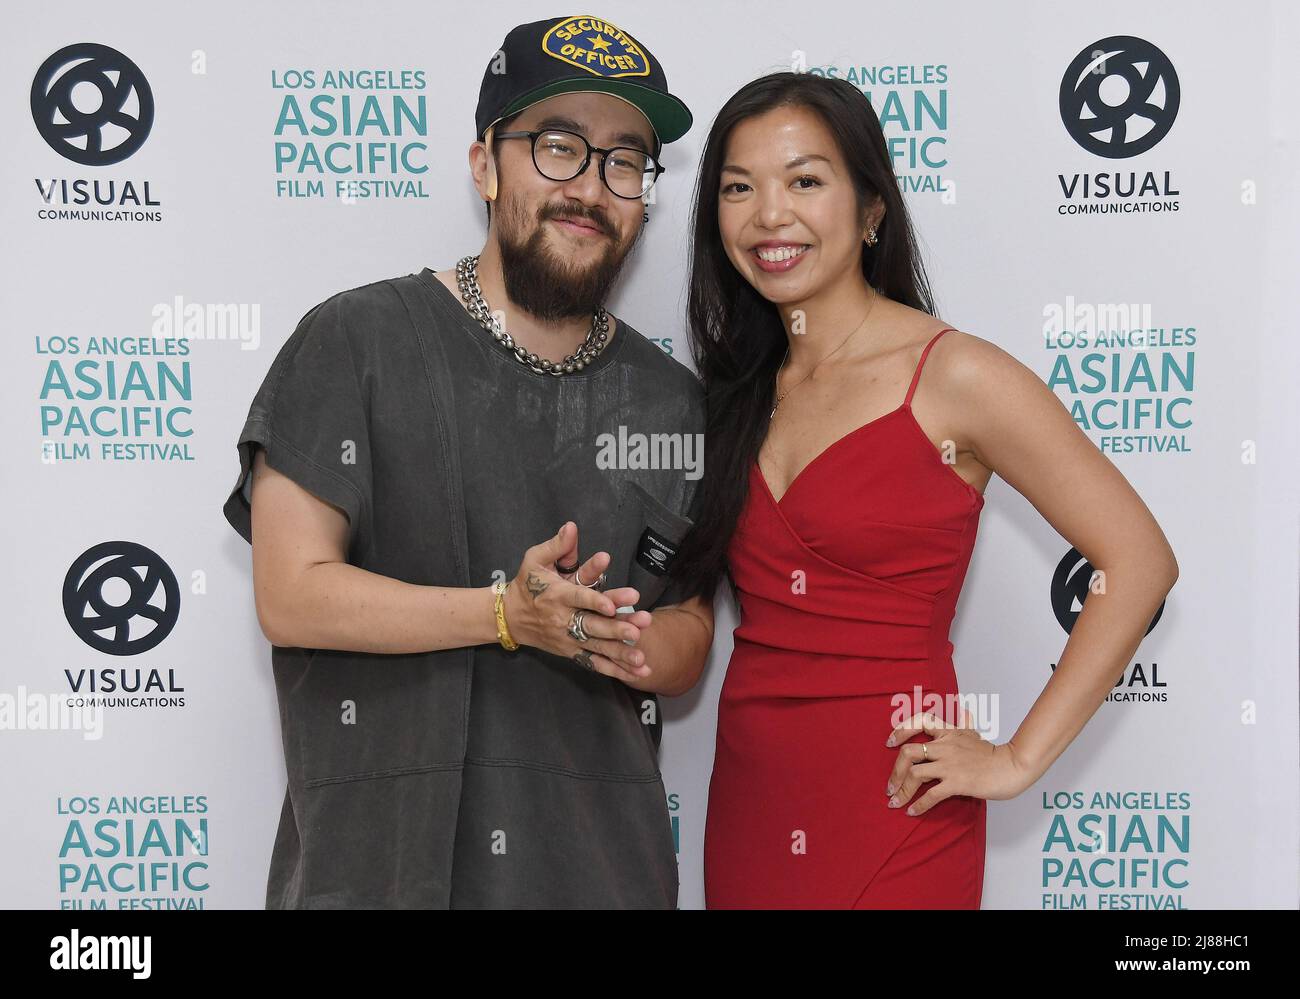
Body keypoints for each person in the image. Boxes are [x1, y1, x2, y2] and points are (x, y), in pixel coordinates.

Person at [221, 15, 714, 909]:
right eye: (559, 145)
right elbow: (288, 593)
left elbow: (689, 632)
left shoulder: (673, 401)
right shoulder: (354, 339)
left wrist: (625, 642)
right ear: (485, 163)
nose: (592, 187)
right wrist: (504, 614)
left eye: (625, 160)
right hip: (374, 874)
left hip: (604, 876)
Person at [665, 72, 1179, 908]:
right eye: (737, 187)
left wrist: (1014, 760)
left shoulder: (956, 376)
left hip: (899, 798)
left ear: (871, 210)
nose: (768, 215)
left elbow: (1140, 561)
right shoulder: (736, 388)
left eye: (805, 180)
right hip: (753, 794)